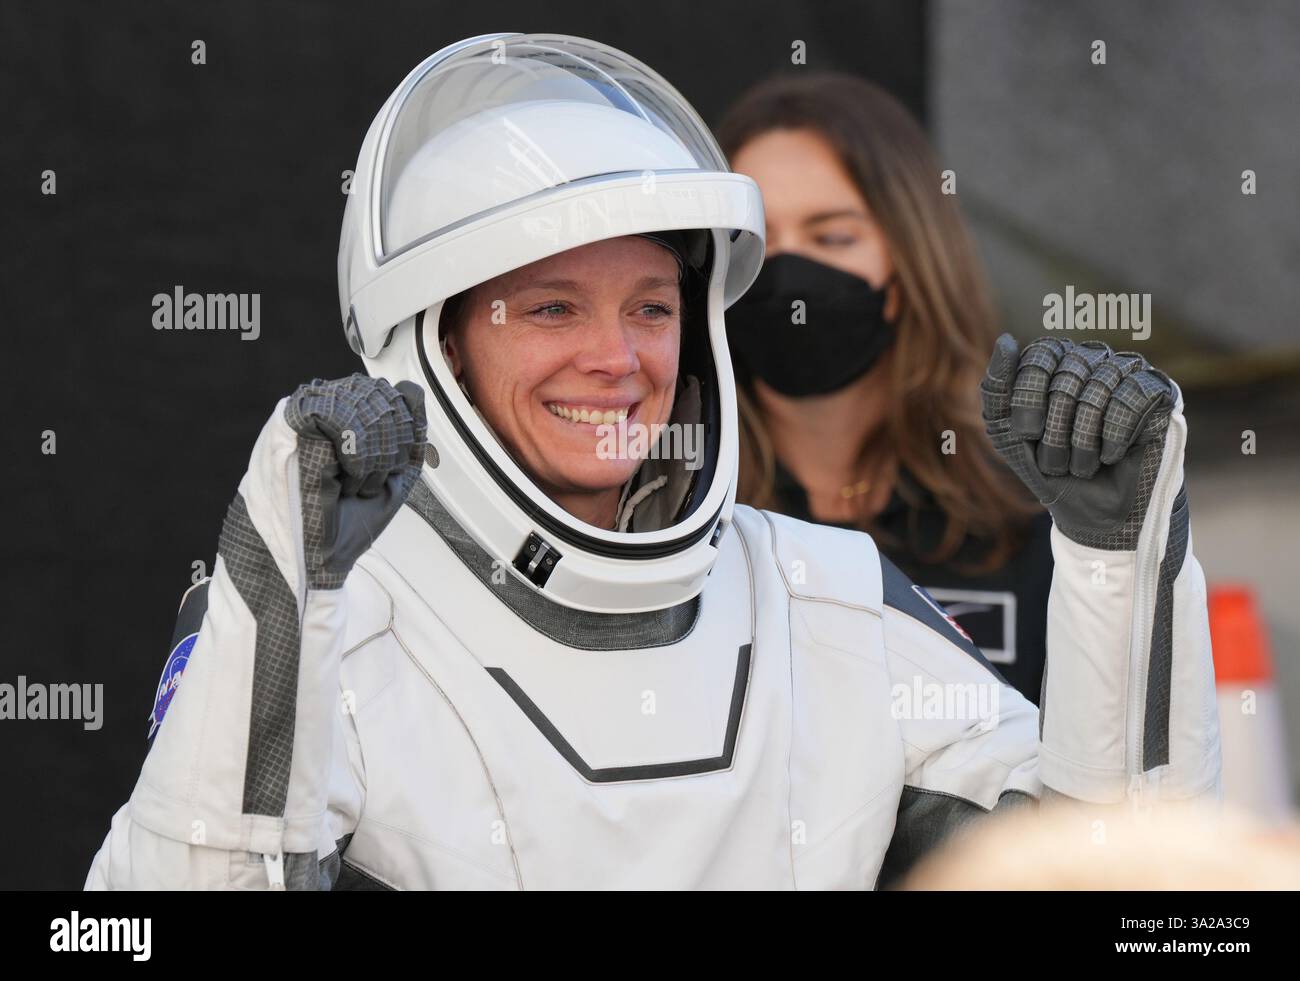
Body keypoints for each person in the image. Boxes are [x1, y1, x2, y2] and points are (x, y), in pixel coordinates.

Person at [86, 33, 1219, 890]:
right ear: (434, 343)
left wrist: (1120, 569)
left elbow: (1129, 893)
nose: (616, 358)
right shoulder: (330, 620)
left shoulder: (823, 598)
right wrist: (279, 607)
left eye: (650, 305)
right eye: (548, 307)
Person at [717, 74, 1051, 704]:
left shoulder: (1030, 509)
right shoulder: (666, 517)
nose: (788, 276)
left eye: (833, 237)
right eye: (758, 244)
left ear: (910, 262)